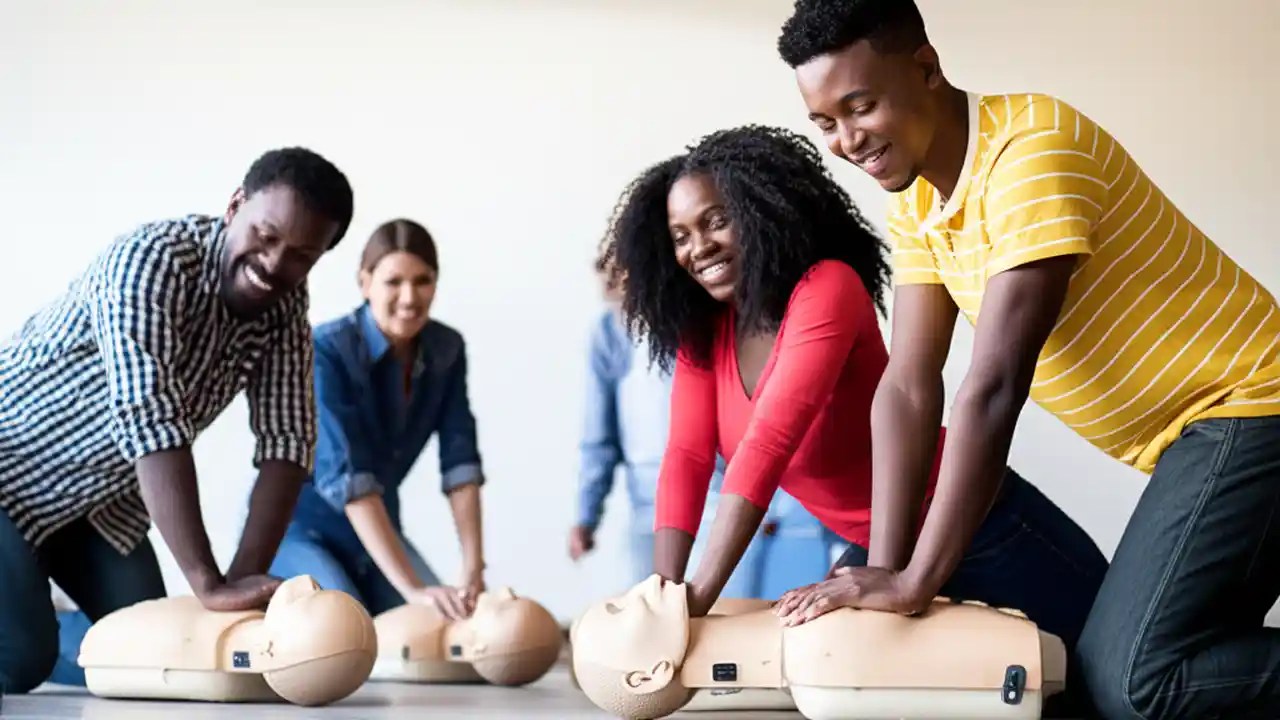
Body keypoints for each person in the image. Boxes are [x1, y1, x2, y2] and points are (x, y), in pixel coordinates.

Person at [775, 1, 1280, 717]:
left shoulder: (1029, 152)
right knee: (1157, 666)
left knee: (1133, 683)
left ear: (925, 68)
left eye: (861, 106)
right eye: (825, 123)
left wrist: (917, 581)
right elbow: (910, 387)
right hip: (1193, 439)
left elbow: (993, 386)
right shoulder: (920, 199)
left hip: (1253, 405)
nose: (848, 140)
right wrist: (886, 569)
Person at [600, 125, 1107, 689]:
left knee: (1106, 675)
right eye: (681, 235)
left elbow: (769, 443)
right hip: (880, 549)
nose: (699, 247)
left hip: (976, 521)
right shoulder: (704, 335)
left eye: (716, 221)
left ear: (761, 210)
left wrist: (695, 601)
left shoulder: (827, 288)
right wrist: (663, 598)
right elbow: (687, 458)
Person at [0, 147, 353, 694]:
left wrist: (240, 586)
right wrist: (207, 582)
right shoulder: (150, 262)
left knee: (169, 654)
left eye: (301, 255)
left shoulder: (285, 307)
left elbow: (288, 444)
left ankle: (26, 603)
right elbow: (152, 423)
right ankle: (24, 619)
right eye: (265, 235)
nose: (274, 264)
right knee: (21, 658)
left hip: (96, 506)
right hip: (10, 474)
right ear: (235, 205)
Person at [268, 219, 485, 621]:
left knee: (444, 624)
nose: (409, 297)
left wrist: (473, 568)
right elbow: (351, 480)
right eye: (393, 282)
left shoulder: (446, 349)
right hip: (302, 531)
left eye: (423, 281)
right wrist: (412, 588)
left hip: (380, 533)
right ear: (365, 282)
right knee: (346, 627)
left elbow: (461, 462)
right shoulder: (326, 351)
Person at [569, 255, 779, 598]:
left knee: (725, 617)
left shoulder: (706, 323)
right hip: (646, 507)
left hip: (722, 501)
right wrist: (586, 515)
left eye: (618, 269)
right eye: (601, 270)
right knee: (651, 616)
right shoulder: (608, 335)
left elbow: (768, 423)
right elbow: (599, 438)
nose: (607, 281)